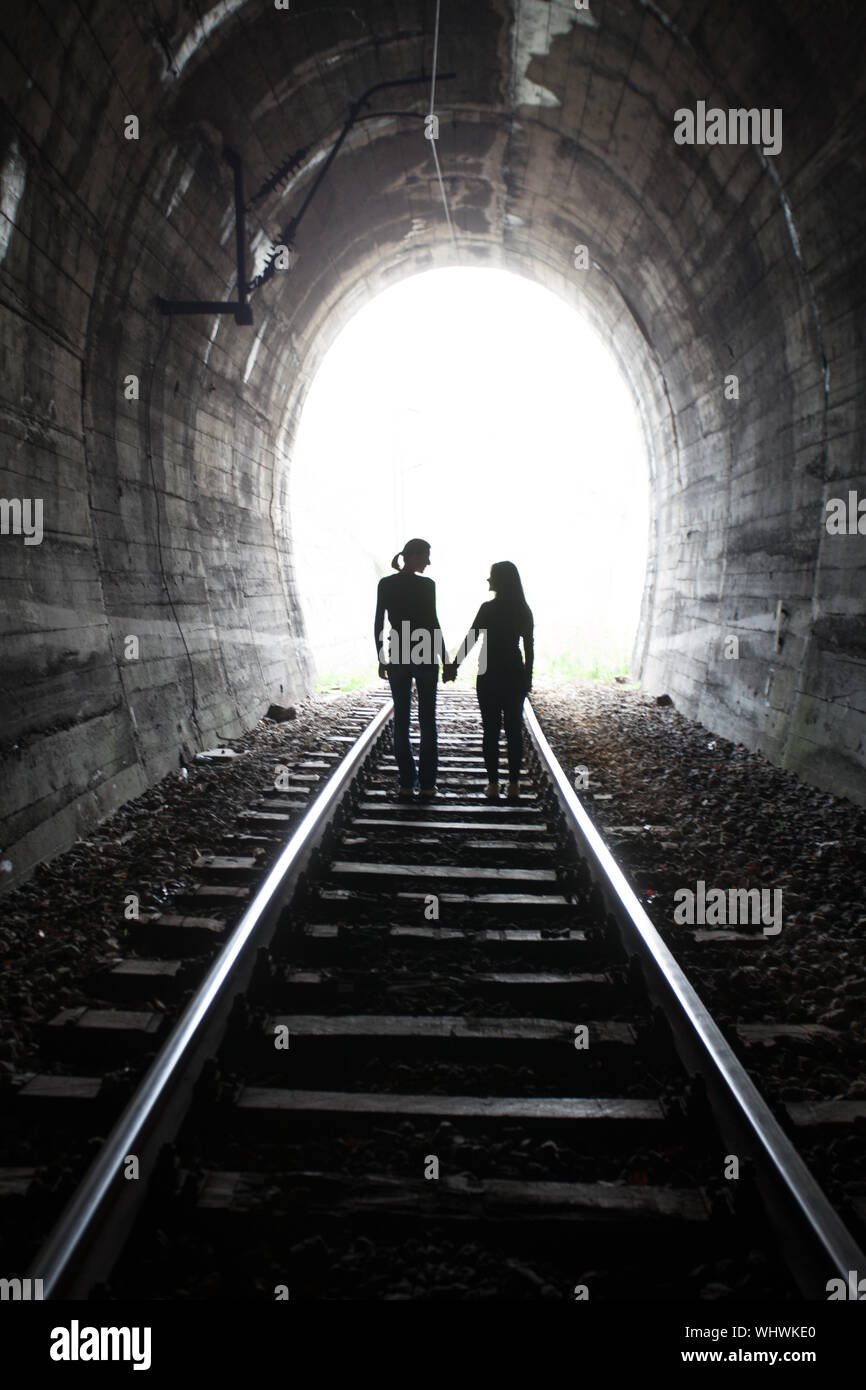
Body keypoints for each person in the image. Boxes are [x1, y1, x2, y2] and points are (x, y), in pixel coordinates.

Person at [443, 561, 533, 802]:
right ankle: (514, 785)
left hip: (489, 675)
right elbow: (529, 648)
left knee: (490, 731)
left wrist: (454, 666)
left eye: (491, 576)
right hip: (514, 674)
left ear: (501, 581)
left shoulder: (488, 609)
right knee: (514, 731)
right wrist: (527, 679)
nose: (488, 580)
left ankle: (493, 785)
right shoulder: (523, 610)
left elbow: (471, 639)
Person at [374, 538, 450, 799]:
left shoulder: (386, 584)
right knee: (428, 722)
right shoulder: (428, 586)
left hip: (398, 656)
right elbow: (433, 622)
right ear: (414, 557)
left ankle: (407, 782)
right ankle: (428, 785)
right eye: (426, 556)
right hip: (426, 655)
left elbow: (379, 622)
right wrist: (445, 658)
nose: (429, 562)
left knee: (402, 721)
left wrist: (382, 657)